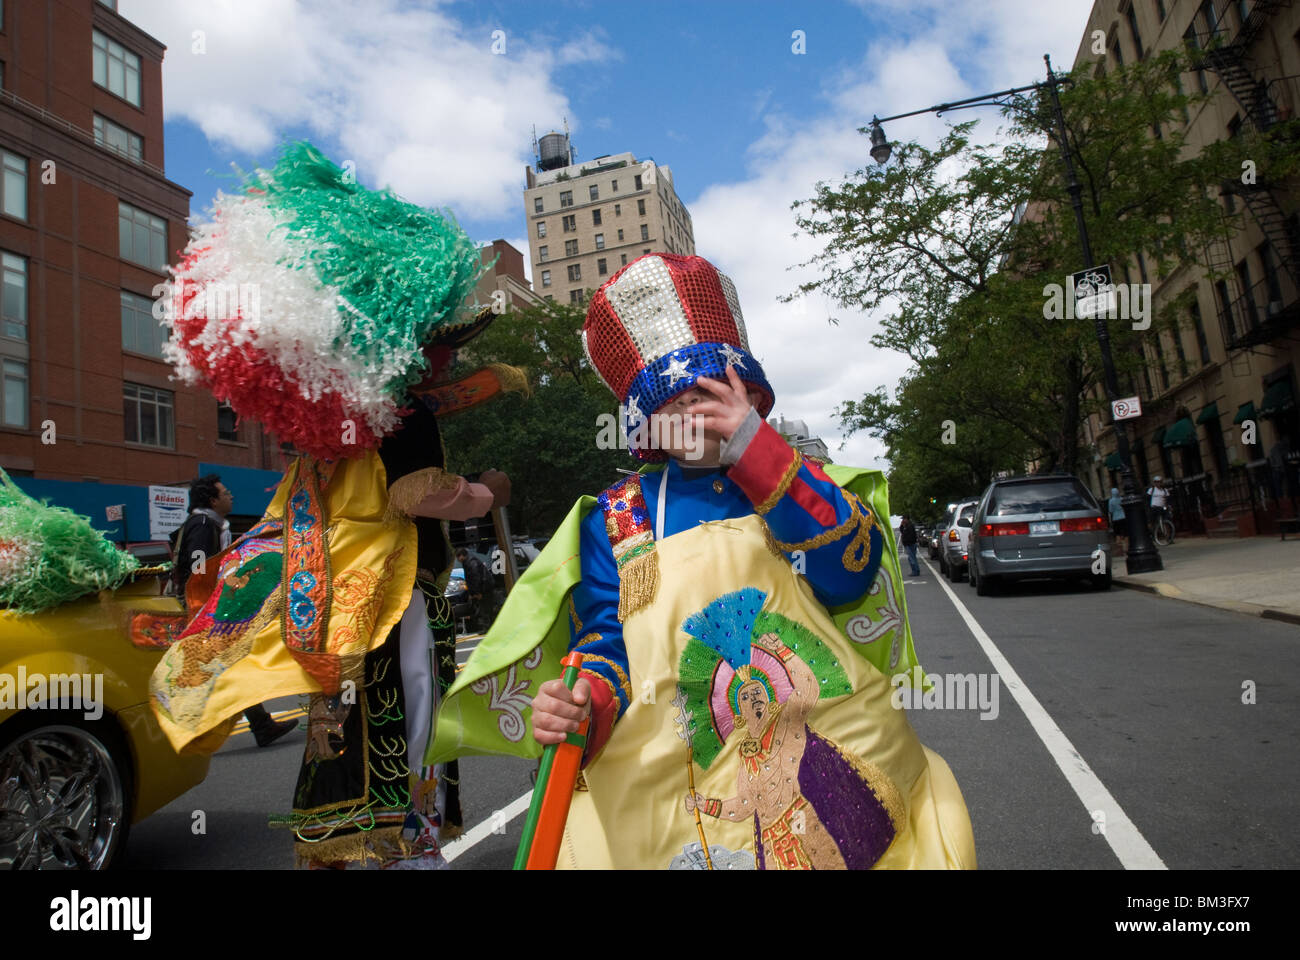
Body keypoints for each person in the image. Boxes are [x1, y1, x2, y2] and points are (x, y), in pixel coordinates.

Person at [443, 253, 974, 869]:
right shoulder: (615, 518)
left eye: (719, 391)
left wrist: (759, 453)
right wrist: (585, 697)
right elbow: (608, 645)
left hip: (828, 760)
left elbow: (848, 571)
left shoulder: (810, 483)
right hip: (677, 798)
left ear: (753, 395)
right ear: (646, 422)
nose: (700, 410)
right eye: (678, 397)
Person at [171, 474, 296, 749]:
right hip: (204, 610)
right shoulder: (203, 525)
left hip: (205, 608)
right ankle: (189, 729)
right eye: (226, 493)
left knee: (225, 665)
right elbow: (199, 568)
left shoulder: (207, 524)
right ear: (213, 500)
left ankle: (259, 724)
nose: (231, 497)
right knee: (224, 665)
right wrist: (212, 604)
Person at [457, 547, 494, 633]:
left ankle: (487, 628)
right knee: (482, 608)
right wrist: (472, 592)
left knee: (485, 608)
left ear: (463, 555)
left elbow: (476, 578)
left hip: (484, 588)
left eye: (458, 556)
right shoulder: (467, 562)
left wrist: (478, 592)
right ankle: (486, 627)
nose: (458, 559)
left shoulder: (472, 563)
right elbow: (471, 579)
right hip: (481, 588)